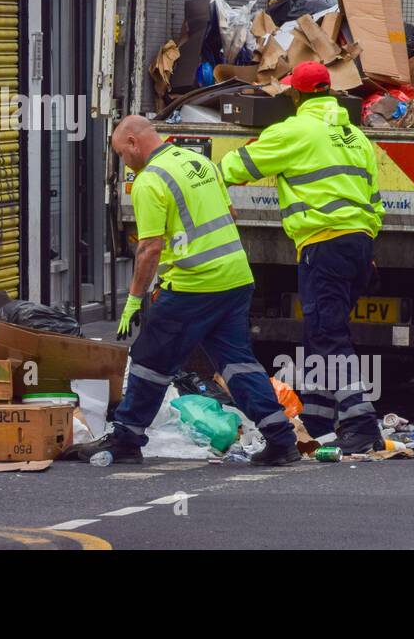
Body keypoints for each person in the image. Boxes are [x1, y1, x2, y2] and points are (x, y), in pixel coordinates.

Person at [64, 116, 300, 466]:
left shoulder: (150, 181)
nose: (122, 162)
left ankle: (127, 438)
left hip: (195, 285)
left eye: (120, 153)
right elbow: (230, 215)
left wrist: (132, 300)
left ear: (132, 142)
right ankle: (281, 439)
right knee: (238, 364)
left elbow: (150, 249)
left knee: (148, 360)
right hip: (235, 278)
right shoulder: (199, 162)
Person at [220, 61, 385, 454]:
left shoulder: (293, 131)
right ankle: (315, 419)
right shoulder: (355, 136)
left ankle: (361, 422)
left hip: (323, 244)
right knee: (318, 336)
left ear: (296, 94)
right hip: (359, 245)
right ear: (328, 92)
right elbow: (374, 202)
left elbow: (235, 168)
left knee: (328, 337)